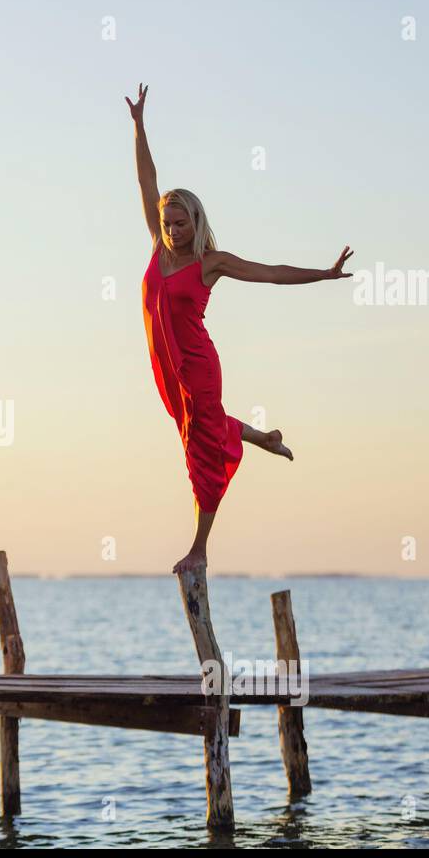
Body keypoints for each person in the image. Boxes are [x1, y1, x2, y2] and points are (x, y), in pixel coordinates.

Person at [126, 82, 354, 575]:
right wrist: (140, 127)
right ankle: (263, 438)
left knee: (201, 455)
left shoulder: (212, 262)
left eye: (180, 223)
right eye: (167, 223)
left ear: (196, 221)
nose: (172, 230)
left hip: (199, 366)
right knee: (198, 432)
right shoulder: (157, 249)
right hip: (167, 367)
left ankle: (200, 550)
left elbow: (271, 273)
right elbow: (148, 181)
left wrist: (324, 274)